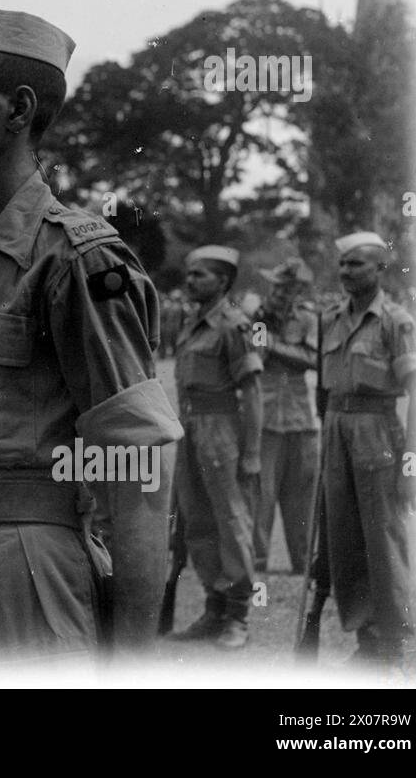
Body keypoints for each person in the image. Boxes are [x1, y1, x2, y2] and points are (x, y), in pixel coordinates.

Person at [0, 9, 182, 666]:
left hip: (29, 578)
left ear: (18, 110)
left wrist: (133, 665)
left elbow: (138, 472)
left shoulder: (74, 258)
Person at [320, 231, 416, 664]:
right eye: (343, 264)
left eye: (357, 264)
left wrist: (412, 465)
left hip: (377, 435)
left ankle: (392, 645)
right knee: (345, 539)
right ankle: (367, 640)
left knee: (382, 542)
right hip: (336, 432)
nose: (347, 272)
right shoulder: (330, 318)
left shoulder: (396, 321)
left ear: (380, 269)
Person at [169, 245, 263, 650]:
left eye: (200, 275)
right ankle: (214, 607)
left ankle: (238, 615)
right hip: (189, 428)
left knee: (230, 520)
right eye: (189, 274)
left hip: (221, 428)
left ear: (223, 281)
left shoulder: (233, 326)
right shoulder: (193, 324)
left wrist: (253, 451)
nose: (190, 281)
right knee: (197, 520)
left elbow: (253, 391)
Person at [251, 257, 319, 573]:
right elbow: (255, 356)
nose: (279, 292)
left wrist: (275, 345)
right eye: (276, 285)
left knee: (301, 494)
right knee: (261, 492)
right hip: (264, 415)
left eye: (287, 288)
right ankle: (258, 560)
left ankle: (302, 562)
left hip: (299, 417)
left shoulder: (307, 319)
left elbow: (311, 358)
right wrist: (268, 334)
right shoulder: (257, 317)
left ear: (297, 291)